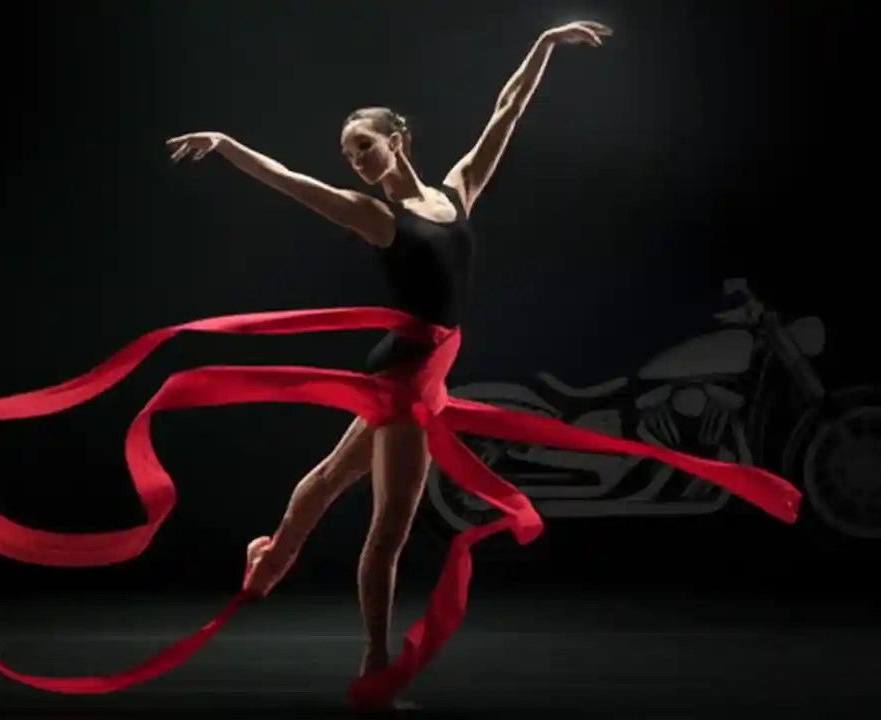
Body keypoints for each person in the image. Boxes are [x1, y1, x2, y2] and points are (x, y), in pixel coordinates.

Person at [164, 20, 613, 682]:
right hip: (403, 381)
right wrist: (228, 144)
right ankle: (375, 663)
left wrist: (544, 43)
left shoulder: (457, 191)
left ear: (396, 139)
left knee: (330, 477)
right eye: (350, 155)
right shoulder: (375, 217)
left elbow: (507, 109)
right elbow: (288, 180)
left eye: (364, 146)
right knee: (390, 529)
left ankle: (268, 561)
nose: (357, 161)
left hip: (422, 377)